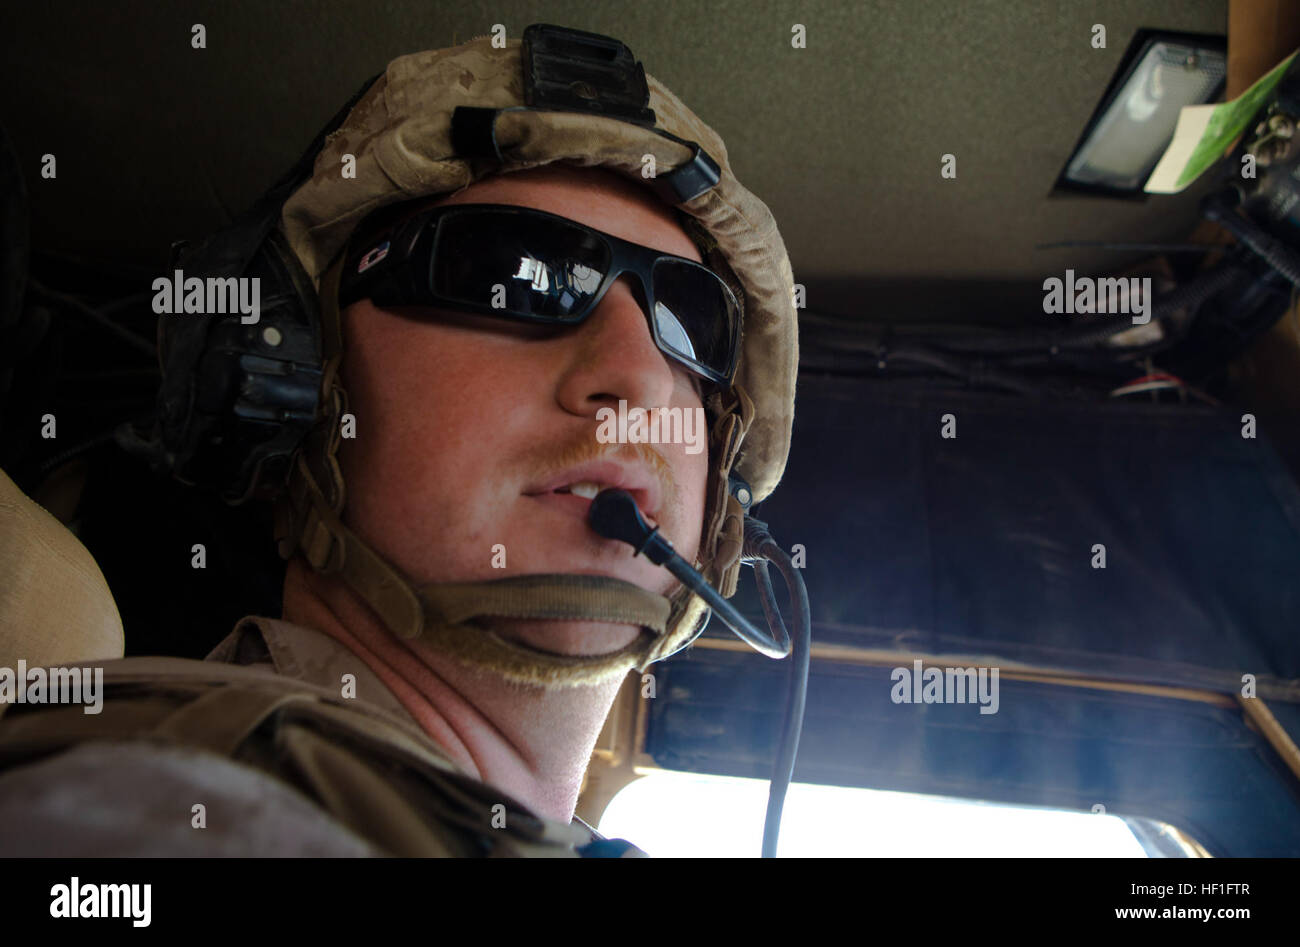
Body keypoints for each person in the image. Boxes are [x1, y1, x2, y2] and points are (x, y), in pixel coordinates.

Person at [0, 26, 798, 858]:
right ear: (301, 390)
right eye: (514, 279)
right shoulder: (165, 807)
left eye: (690, 321)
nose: (637, 377)